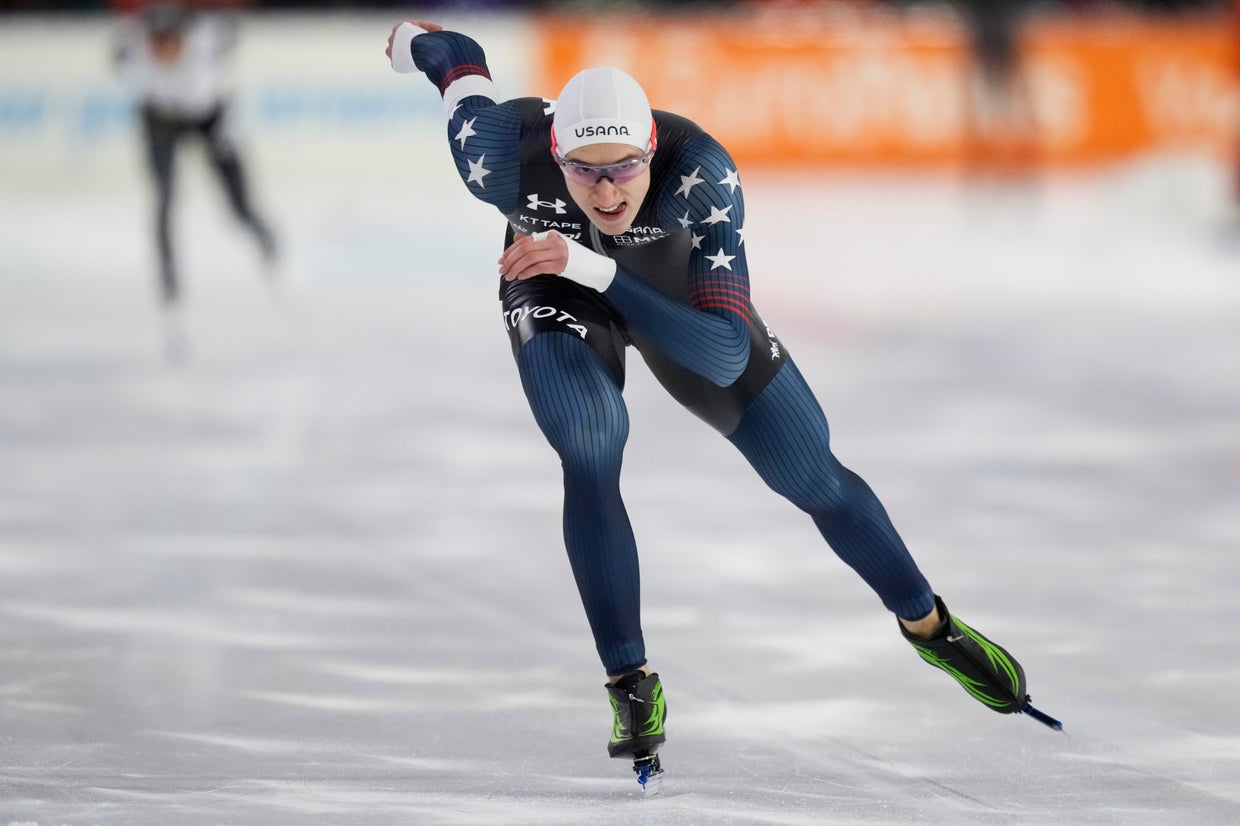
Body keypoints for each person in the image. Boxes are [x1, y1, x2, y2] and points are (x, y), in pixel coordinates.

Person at [386, 19, 1052, 785]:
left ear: (650, 151)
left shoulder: (702, 175)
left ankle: (930, 625)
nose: (607, 191)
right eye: (585, 172)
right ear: (554, 156)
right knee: (591, 440)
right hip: (551, 281)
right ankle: (630, 684)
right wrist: (415, 43)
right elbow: (457, 61)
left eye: (625, 168)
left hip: (672, 303)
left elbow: (724, 352)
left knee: (810, 471)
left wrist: (597, 268)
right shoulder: (499, 154)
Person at [114, 1, 278, 350]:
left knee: (238, 208)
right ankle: (172, 296)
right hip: (160, 120)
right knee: (164, 202)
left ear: (185, 39)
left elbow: (230, 27)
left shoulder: (206, 45)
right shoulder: (134, 55)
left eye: (171, 41)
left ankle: (268, 243)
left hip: (208, 118)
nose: (164, 51)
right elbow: (120, 55)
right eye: (156, 43)